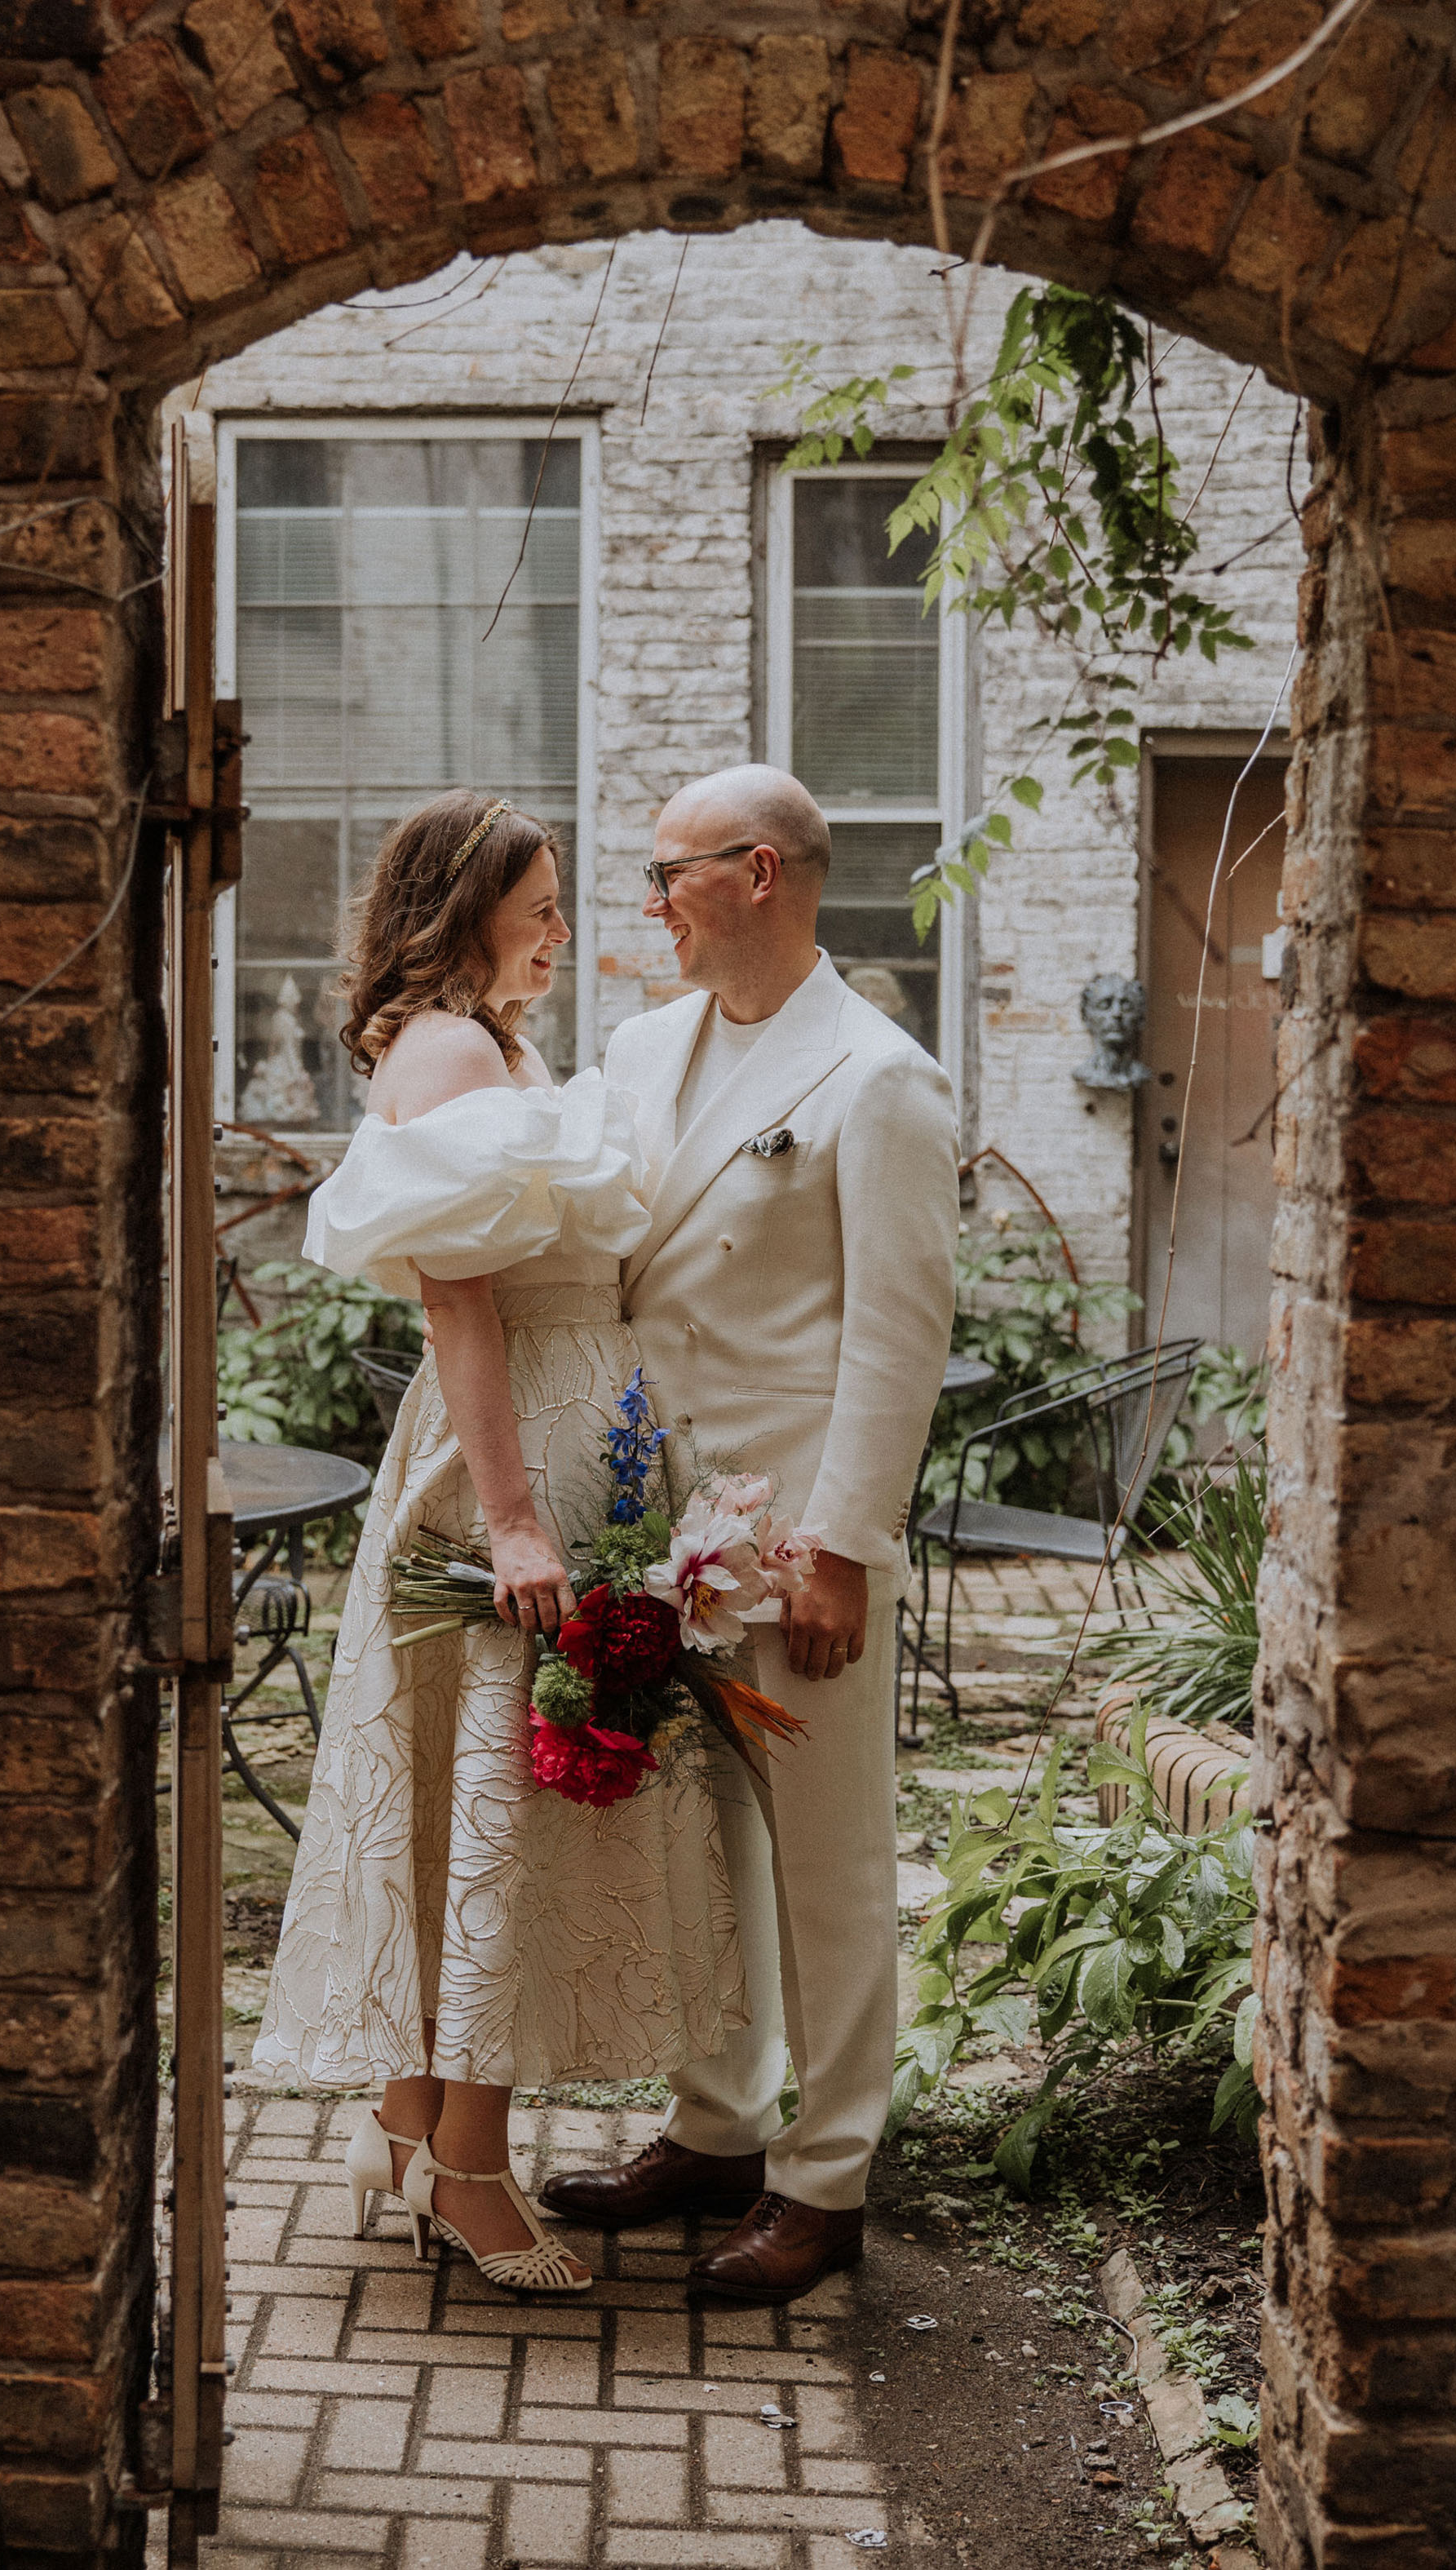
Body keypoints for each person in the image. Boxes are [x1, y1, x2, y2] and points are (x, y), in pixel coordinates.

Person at [253, 790, 746, 2297]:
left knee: (462, 1806)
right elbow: (460, 1298)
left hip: (557, 1430)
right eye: (536, 904)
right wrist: (520, 1515)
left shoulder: (490, 1042)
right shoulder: (458, 1049)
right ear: (463, 906)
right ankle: (470, 2171)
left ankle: (410, 2132)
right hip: (511, 1451)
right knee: (502, 1803)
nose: (558, 928)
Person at [541, 764, 960, 2303]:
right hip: (654, 1519)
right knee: (699, 1849)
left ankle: (828, 2172)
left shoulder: (877, 1075)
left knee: (828, 1864)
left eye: (671, 872)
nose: (648, 901)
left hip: (793, 1538)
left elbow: (900, 1333)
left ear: (763, 870)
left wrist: (845, 1540)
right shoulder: (646, 1043)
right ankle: (714, 2128)